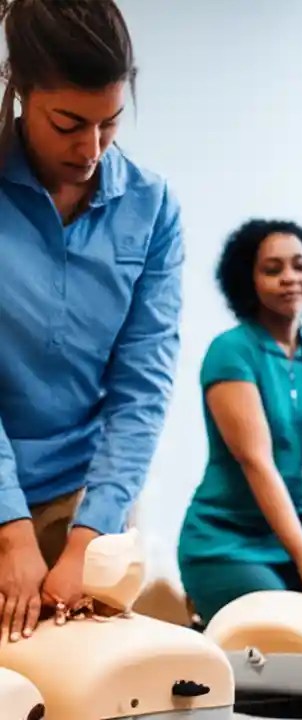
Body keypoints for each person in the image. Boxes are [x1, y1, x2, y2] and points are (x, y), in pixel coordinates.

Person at [0, 0, 183, 642]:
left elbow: (142, 388)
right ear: (20, 90)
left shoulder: (151, 207)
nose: (91, 148)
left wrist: (87, 541)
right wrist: (11, 532)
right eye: (69, 123)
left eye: (109, 123)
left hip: (81, 496)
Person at [176, 220, 302, 623]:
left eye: (300, 266)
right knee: (291, 627)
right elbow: (256, 461)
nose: (290, 278)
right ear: (249, 280)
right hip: (227, 541)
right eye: (272, 269)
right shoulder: (231, 351)